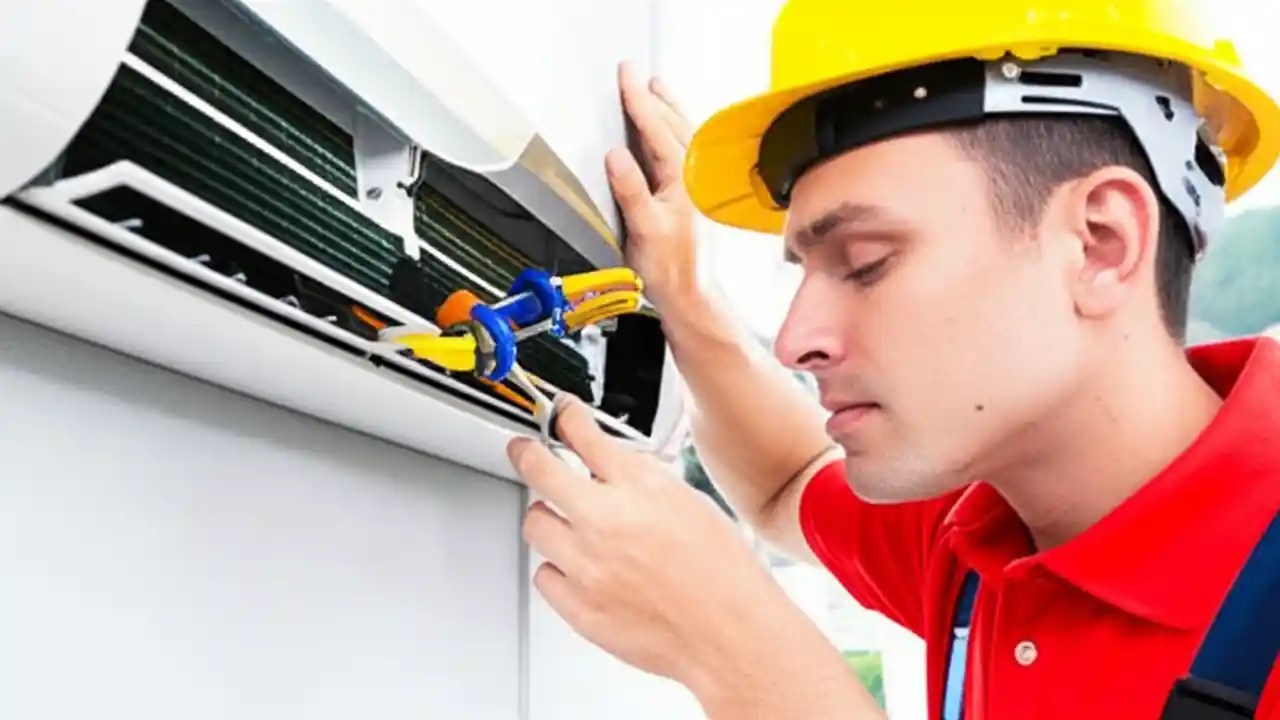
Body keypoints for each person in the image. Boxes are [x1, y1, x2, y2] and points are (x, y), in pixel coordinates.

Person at [506, 1, 1280, 718]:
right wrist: (680, 292)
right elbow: (787, 481)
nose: (795, 339)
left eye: (866, 262)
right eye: (807, 270)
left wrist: (737, 654)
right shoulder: (980, 541)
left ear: (1100, 244)